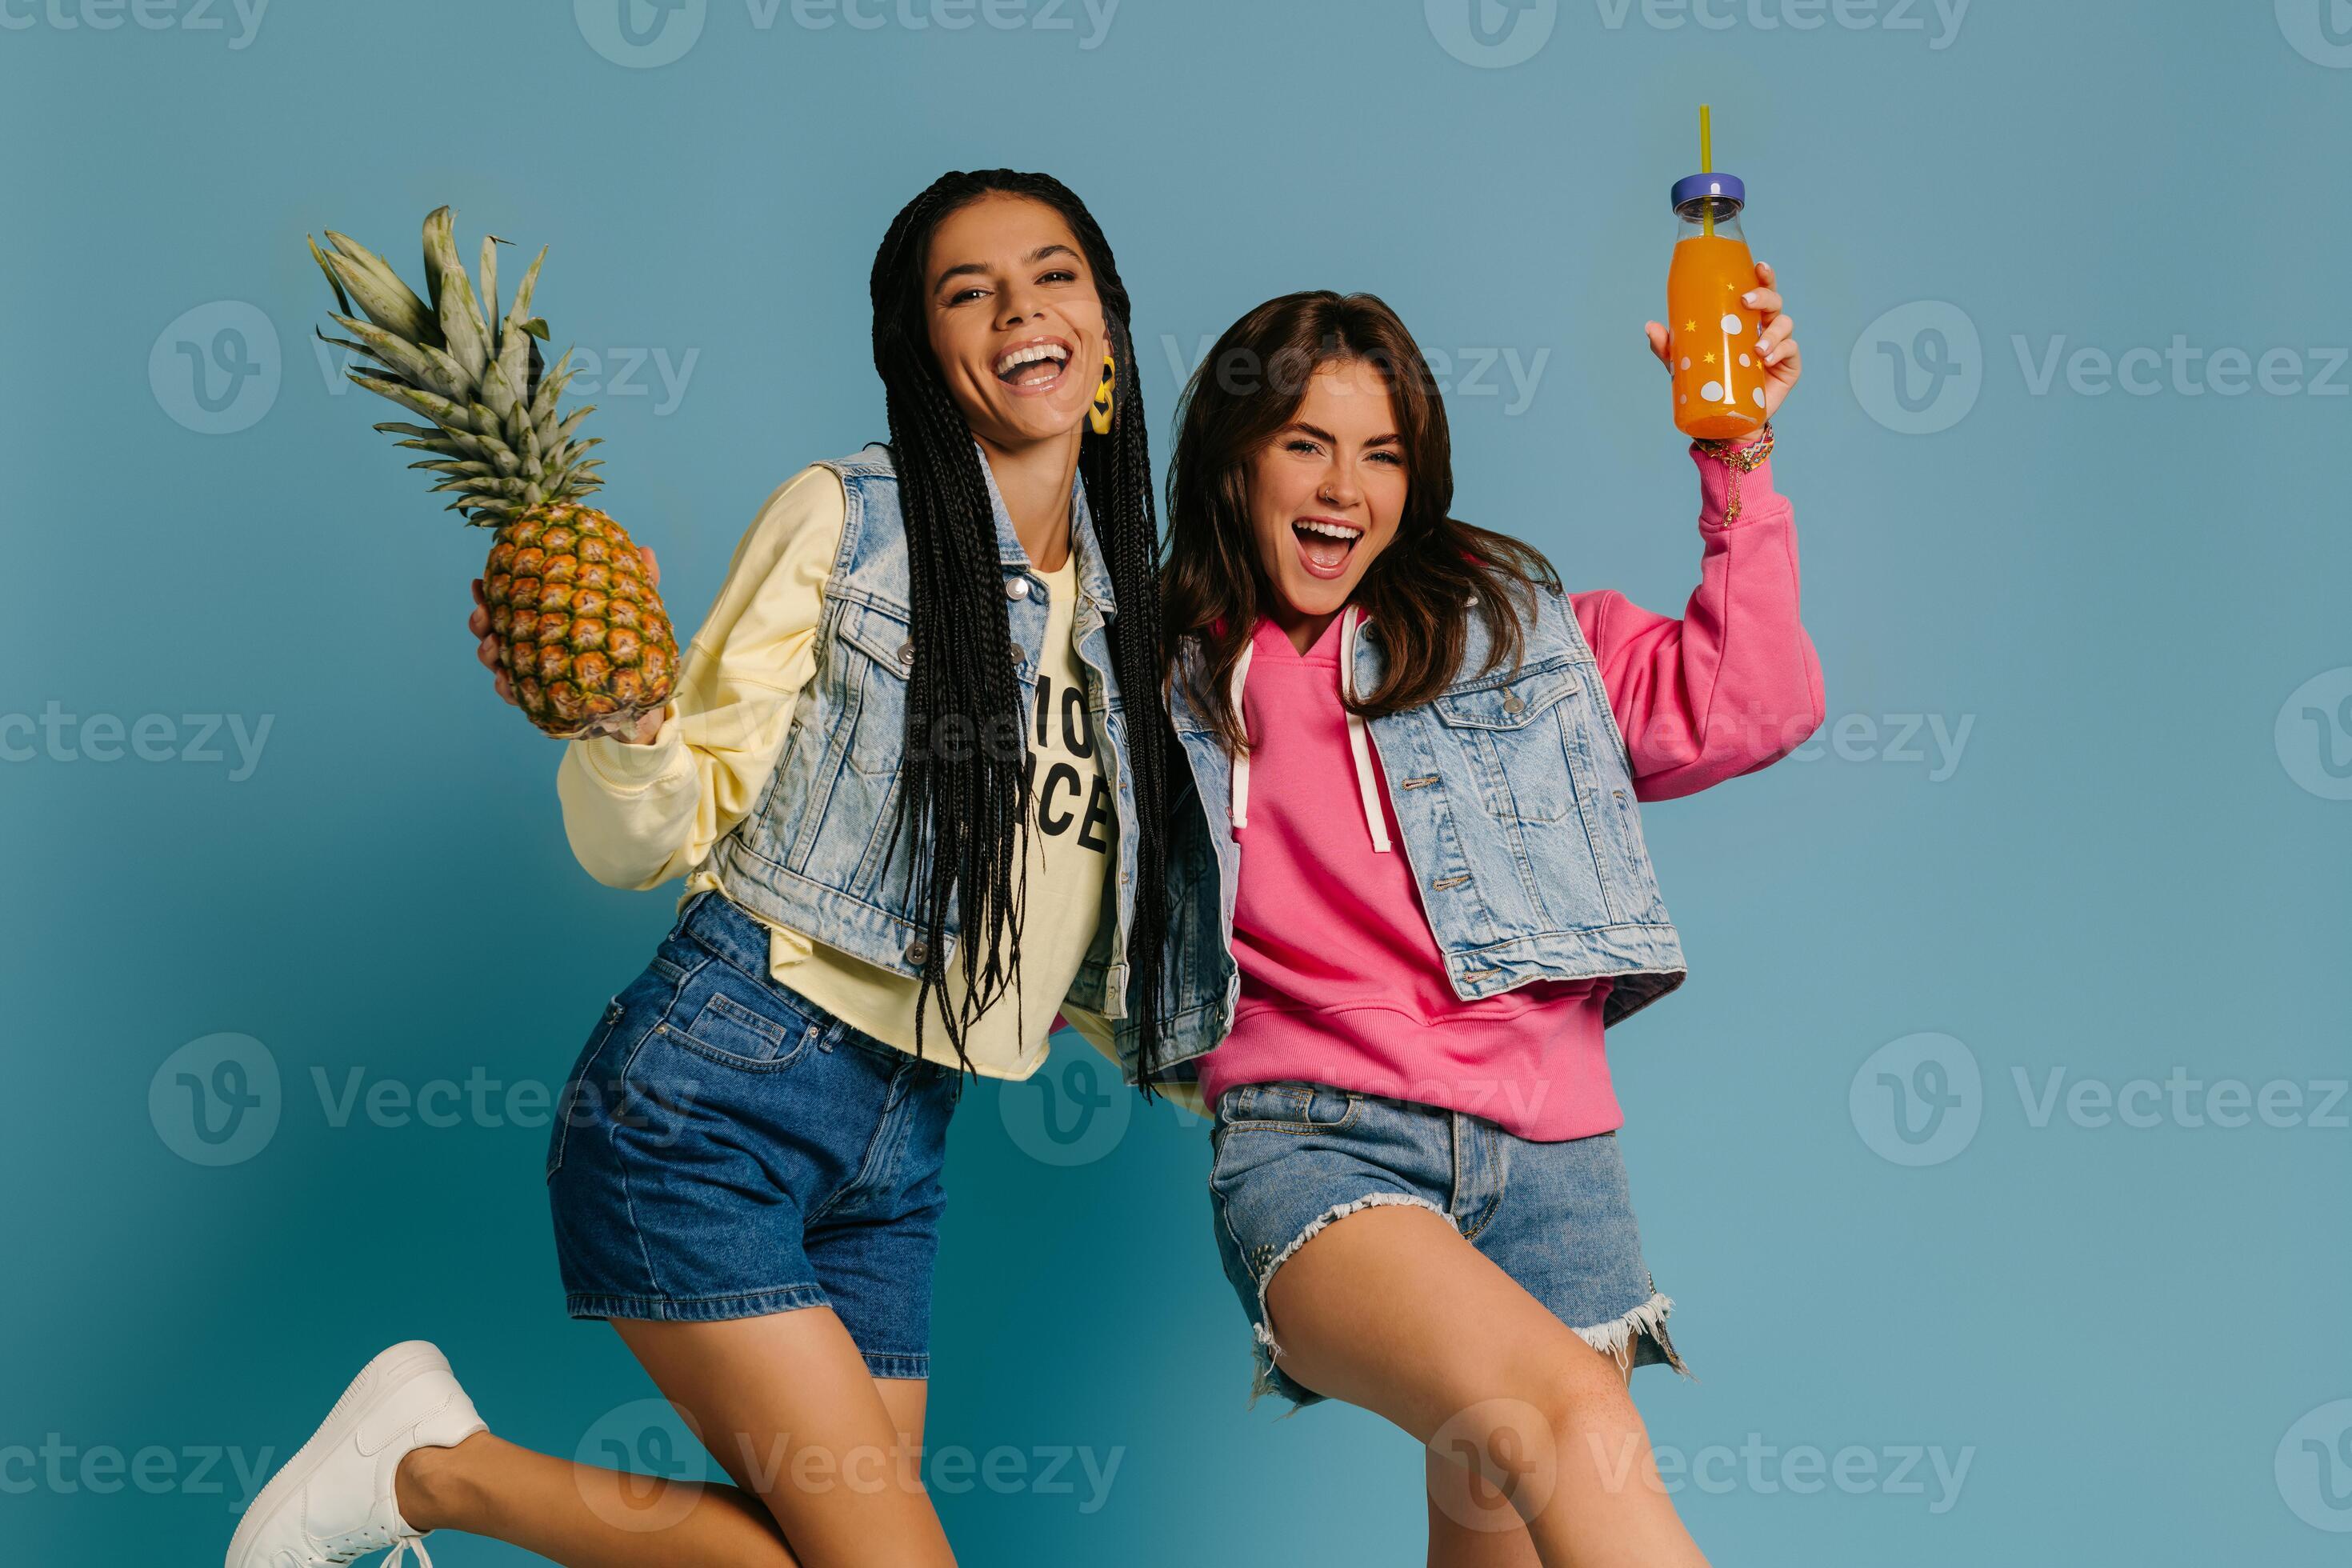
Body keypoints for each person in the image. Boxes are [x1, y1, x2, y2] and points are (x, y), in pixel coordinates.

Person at [226, 169, 1172, 1568]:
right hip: (720, 1085)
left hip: (906, 1136)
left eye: (1055, 276)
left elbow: (1069, 940)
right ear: (923, 348)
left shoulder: (1129, 615)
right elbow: (663, 828)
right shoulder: (850, 521)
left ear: (1107, 326)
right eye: (969, 291)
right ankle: (438, 1477)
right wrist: (619, 726)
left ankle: (420, 1451)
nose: (1022, 310)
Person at [1146, 283, 1822, 1566]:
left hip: (1559, 1170)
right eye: (1305, 442)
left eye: (1383, 454)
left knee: (1510, 1524)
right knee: (1562, 1421)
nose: (1345, 486)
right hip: (1320, 1146)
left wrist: (1737, 458)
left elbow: (1753, 703)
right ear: (1236, 460)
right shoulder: (1165, 673)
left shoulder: (1522, 640)